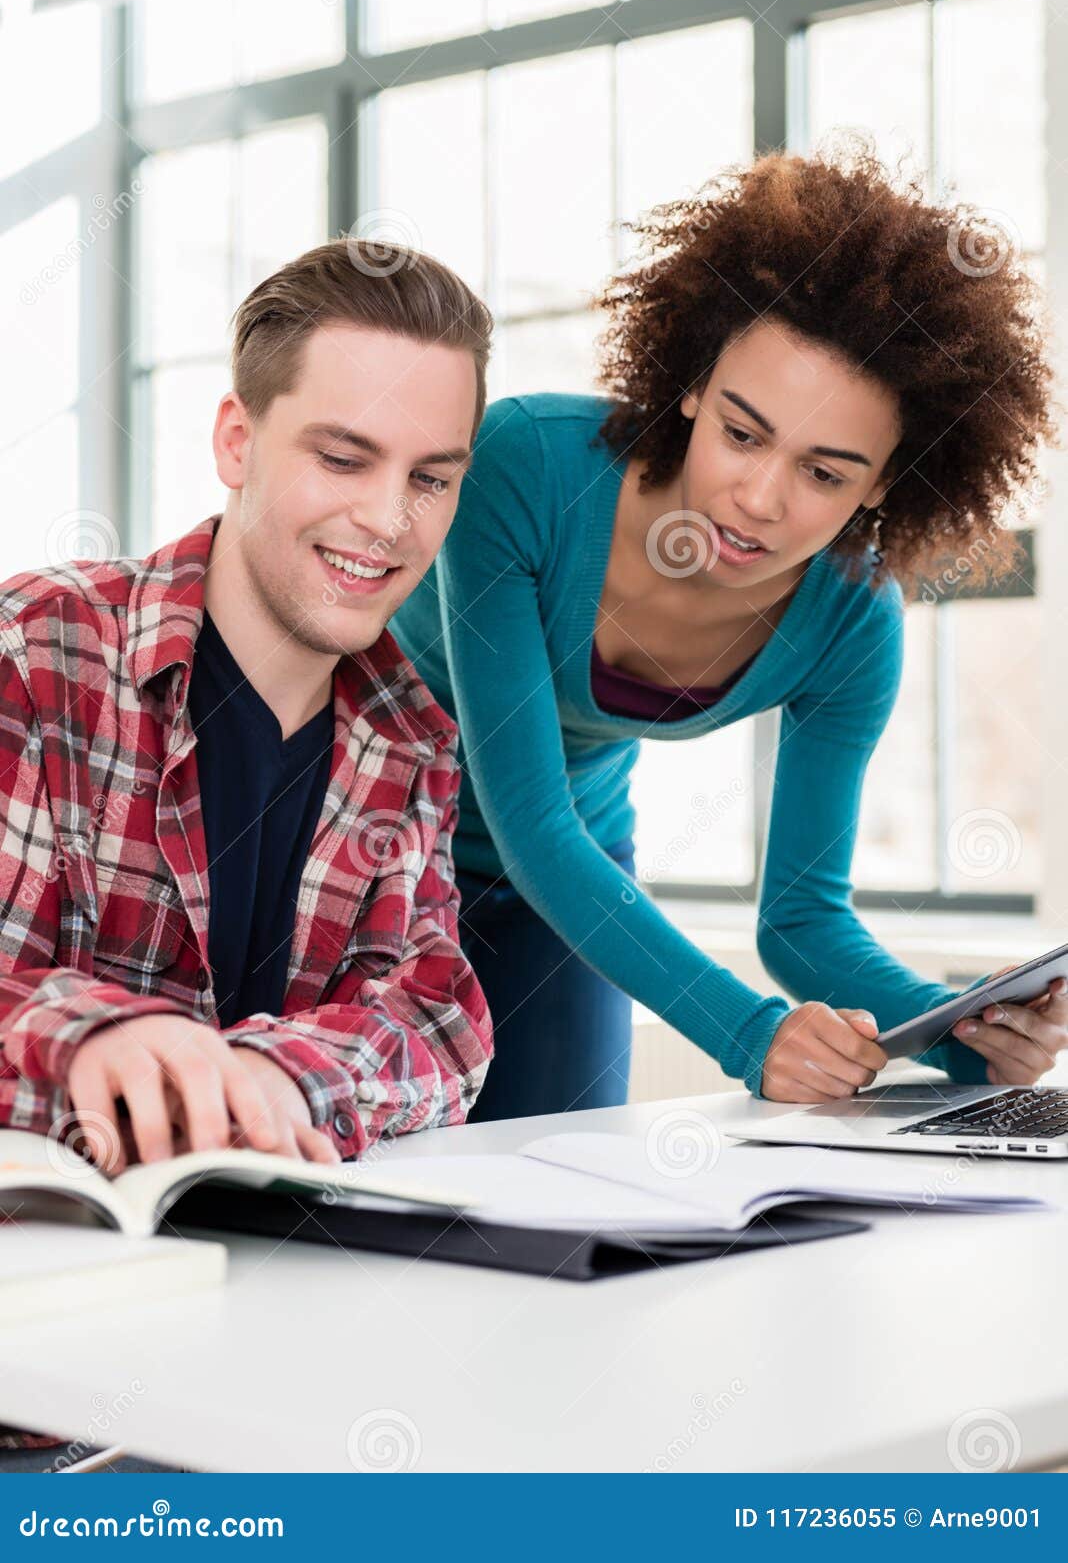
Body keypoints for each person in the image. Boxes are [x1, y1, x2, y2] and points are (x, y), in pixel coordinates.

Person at [392, 148, 1068, 1121]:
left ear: (883, 482)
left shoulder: (852, 624)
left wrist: (965, 1032)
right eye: (743, 434)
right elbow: (528, 818)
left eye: (825, 473)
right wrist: (752, 1035)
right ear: (693, 388)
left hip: (568, 892)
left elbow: (802, 923)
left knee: (561, 1178)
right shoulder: (525, 466)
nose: (759, 498)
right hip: (362, 845)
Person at [0, 237, 493, 1174]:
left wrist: (277, 1076)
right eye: (343, 459)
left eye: (430, 479)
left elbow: (436, 1017)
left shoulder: (413, 737)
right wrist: (86, 1041)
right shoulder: (36, 651)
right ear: (236, 441)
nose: (387, 521)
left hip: (274, 1252)